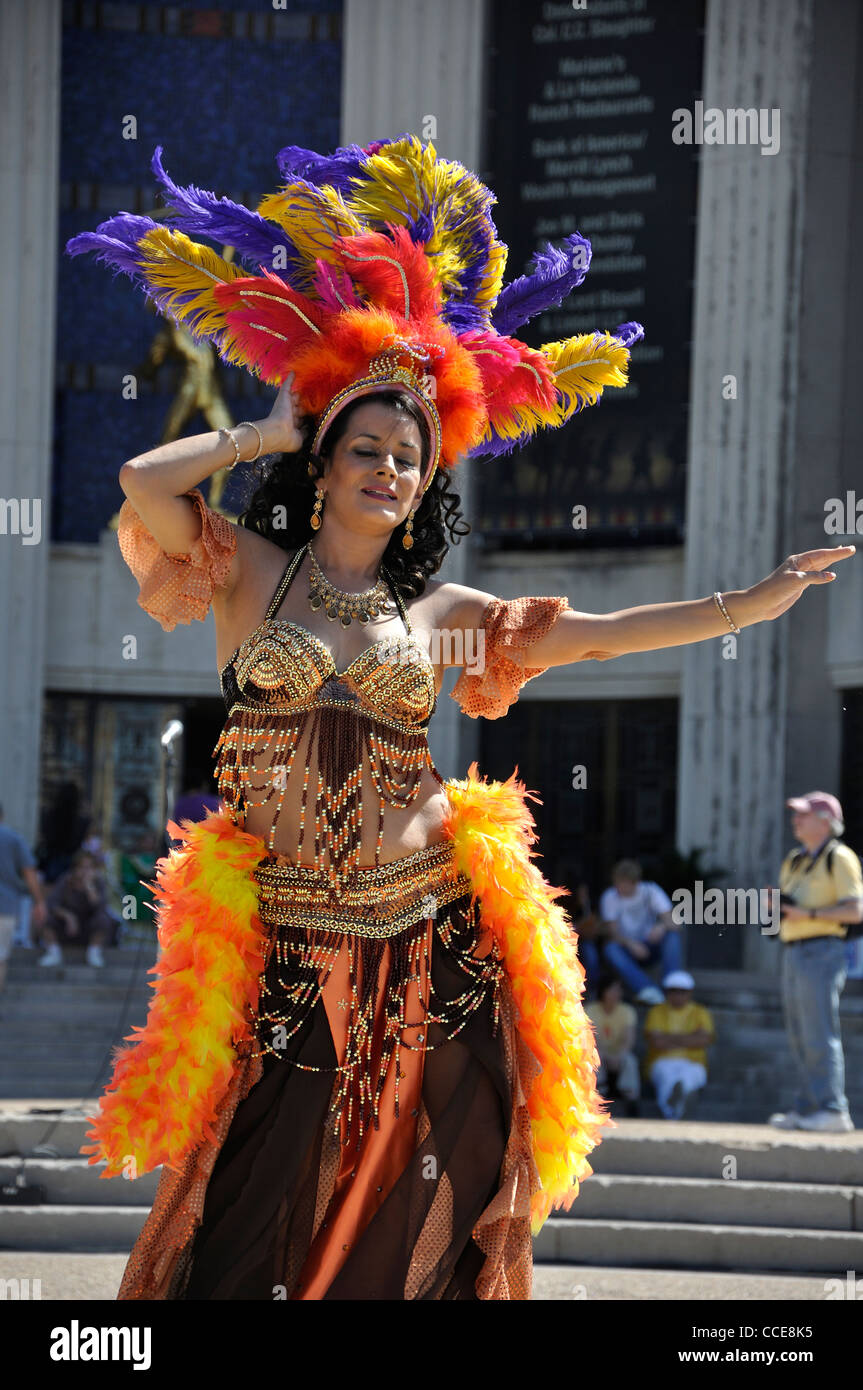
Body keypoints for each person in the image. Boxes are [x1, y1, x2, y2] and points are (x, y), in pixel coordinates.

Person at [66, 132, 855, 1302]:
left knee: (422, 1194)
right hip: (285, 939)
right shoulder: (247, 570)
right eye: (366, 447)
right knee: (252, 1204)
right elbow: (142, 484)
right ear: (326, 463)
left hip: (427, 938)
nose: (389, 467)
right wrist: (272, 427)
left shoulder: (440, 612)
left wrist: (756, 597)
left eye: (410, 458)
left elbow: (610, 630)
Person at [768, 791, 863, 1132]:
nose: (796, 819)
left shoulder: (841, 858)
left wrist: (805, 912)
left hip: (823, 950)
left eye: (804, 815)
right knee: (799, 1033)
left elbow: (855, 910)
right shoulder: (793, 859)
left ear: (825, 821)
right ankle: (809, 1108)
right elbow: (786, 912)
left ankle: (833, 1108)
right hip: (793, 950)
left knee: (819, 1032)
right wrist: (775, 909)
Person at [599, 859, 682, 1005]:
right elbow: (612, 933)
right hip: (628, 949)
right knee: (611, 949)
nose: (619, 887)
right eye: (617, 882)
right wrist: (631, 944)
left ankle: (673, 986)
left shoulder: (651, 891)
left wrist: (662, 926)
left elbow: (676, 922)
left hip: (651, 944)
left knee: (672, 936)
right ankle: (649, 990)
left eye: (623, 883)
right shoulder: (610, 897)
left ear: (635, 882)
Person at [644, 971, 715, 1119]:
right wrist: (690, 1038)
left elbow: (704, 1040)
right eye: (673, 991)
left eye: (682, 991)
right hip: (662, 1061)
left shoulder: (700, 1012)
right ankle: (677, 1109)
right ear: (667, 992)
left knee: (687, 1078)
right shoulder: (657, 1011)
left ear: (690, 993)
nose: (677, 995)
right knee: (666, 1077)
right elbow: (657, 1042)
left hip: (693, 1062)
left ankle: (675, 1109)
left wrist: (668, 1037)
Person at [0, 802, 48, 995]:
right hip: (5, 906)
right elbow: (29, 872)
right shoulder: (13, 839)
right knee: (0, 957)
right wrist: (39, 901)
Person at [38, 850, 115, 968]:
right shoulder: (65, 880)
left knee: (104, 919)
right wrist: (68, 916)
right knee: (45, 917)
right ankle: (53, 952)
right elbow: (52, 904)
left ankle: (94, 952)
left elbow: (101, 907)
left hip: (88, 927)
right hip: (66, 927)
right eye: (82, 867)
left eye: (89, 867)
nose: (85, 871)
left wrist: (90, 888)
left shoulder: (98, 882)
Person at [585, 974, 640, 1110]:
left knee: (630, 1061)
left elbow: (629, 1038)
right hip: (598, 1052)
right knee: (593, 1059)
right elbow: (590, 1039)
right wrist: (603, 1054)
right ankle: (598, 1092)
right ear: (603, 991)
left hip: (618, 1054)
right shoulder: (590, 1010)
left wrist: (619, 1054)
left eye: (618, 990)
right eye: (612, 990)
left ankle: (631, 1097)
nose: (616, 994)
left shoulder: (628, 1011)